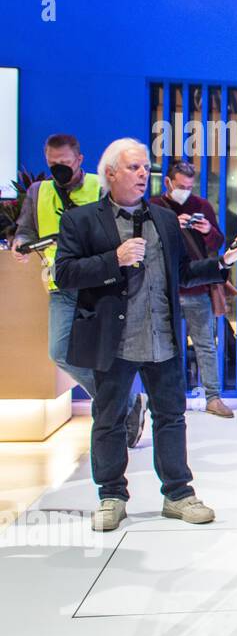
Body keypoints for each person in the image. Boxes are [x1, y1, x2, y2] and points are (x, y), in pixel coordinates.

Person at [54, 139, 237, 532]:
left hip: (161, 336)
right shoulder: (81, 220)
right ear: (110, 172)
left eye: (146, 168)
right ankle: (111, 495)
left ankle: (178, 494)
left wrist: (224, 261)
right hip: (114, 338)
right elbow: (64, 274)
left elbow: (182, 274)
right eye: (134, 168)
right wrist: (114, 259)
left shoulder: (163, 220)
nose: (144, 174)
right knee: (109, 418)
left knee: (171, 416)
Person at [11, 134, 148, 445]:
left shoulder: (100, 186)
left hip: (101, 283)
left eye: (65, 163)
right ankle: (122, 402)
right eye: (53, 164)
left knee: (108, 353)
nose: (59, 169)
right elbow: (25, 228)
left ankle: (118, 408)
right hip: (61, 283)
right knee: (59, 352)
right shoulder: (38, 191)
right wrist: (21, 242)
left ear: (80, 160)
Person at [151, 162, 235, 418]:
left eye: (189, 187)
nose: (185, 191)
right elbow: (149, 243)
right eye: (180, 186)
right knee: (167, 347)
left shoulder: (202, 206)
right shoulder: (155, 206)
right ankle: (172, 398)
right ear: (168, 183)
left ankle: (213, 396)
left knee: (206, 344)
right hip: (167, 288)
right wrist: (170, 225)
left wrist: (207, 229)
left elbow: (219, 242)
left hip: (197, 287)